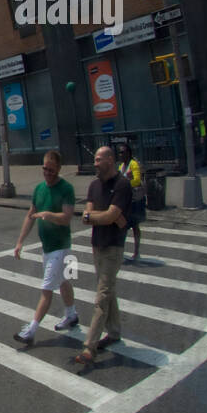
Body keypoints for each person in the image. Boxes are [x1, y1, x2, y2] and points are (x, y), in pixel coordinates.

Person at [12, 151, 79, 343]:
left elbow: (66, 218)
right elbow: (31, 215)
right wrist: (20, 242)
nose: (47, 172)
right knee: (64, 281)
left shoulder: (66, 189)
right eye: (45, 168)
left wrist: (49, 215)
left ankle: (31, 331)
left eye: (51, 169)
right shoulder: (39, 189)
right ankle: (72, 314)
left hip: (61, 246)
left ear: (58, 168)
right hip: (47, 247)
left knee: (47, 289)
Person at [76, 146, 132, 366]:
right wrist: (105, 216)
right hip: (97, 245)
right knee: (107, 291)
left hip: (113, 247)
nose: (96, 163)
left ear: (110, 160)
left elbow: (109, 216)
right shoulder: (94, 185)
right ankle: (115, 332)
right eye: (95, 160)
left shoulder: (122, 185)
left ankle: (89, 347)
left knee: (102, 296)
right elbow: (87, 216)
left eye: (99, 159)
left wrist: (101, 216)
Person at [117, 144, 145, 262]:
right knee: (122, 226)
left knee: (135, 225)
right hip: (125, 201)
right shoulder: (121, 166)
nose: (120, 154)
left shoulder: (133, 164)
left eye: (122, 152)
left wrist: (125, 184)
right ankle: (120, 252)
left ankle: (136, 252)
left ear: (128, 153)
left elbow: (137, 180)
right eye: (119, 152)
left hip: (134, 200)